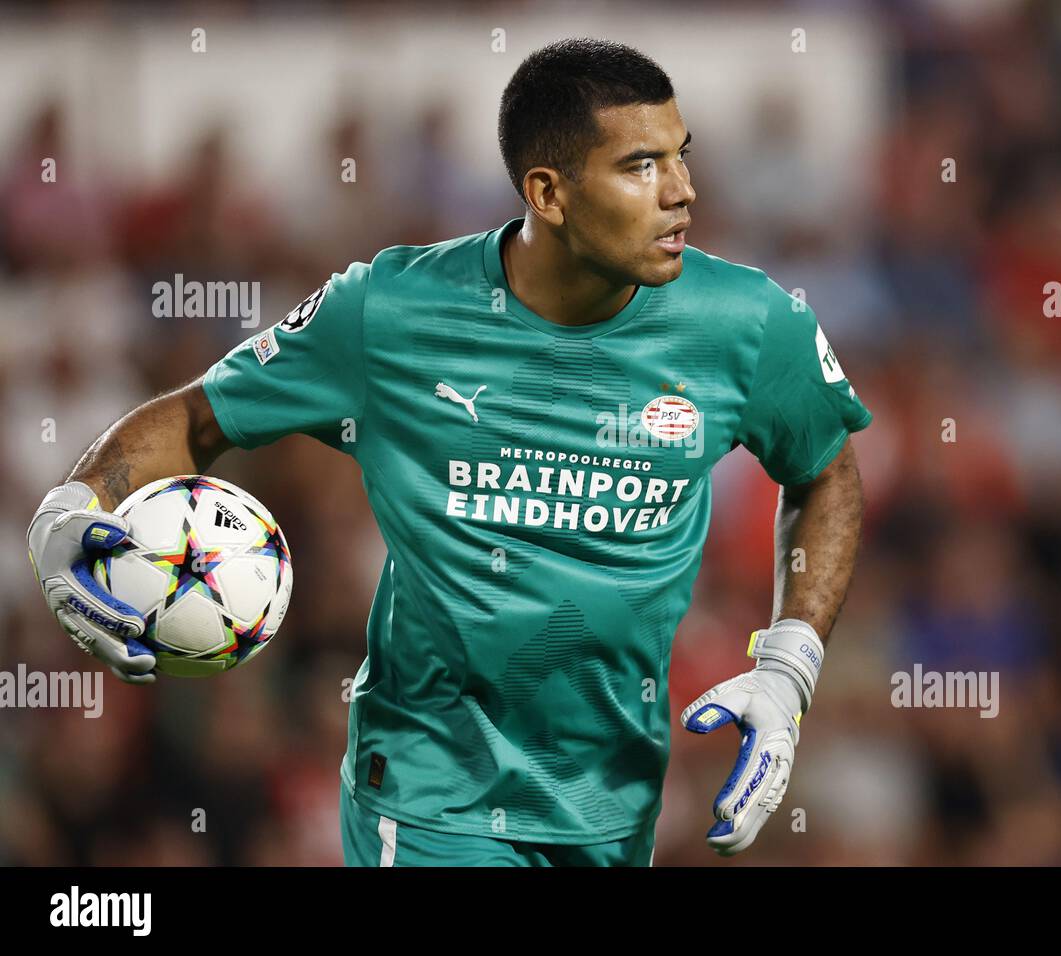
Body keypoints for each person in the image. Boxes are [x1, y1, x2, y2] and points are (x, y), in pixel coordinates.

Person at [26, 38, 870, 866]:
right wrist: (71, 514)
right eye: (641, 166)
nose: (684, 191)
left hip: (613, 807)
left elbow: (824, 468)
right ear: (549, 192)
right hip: (432, 800)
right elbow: (197, 418)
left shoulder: (747, 324)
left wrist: (789, 666)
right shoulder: (390, 312)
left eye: (683, 157)